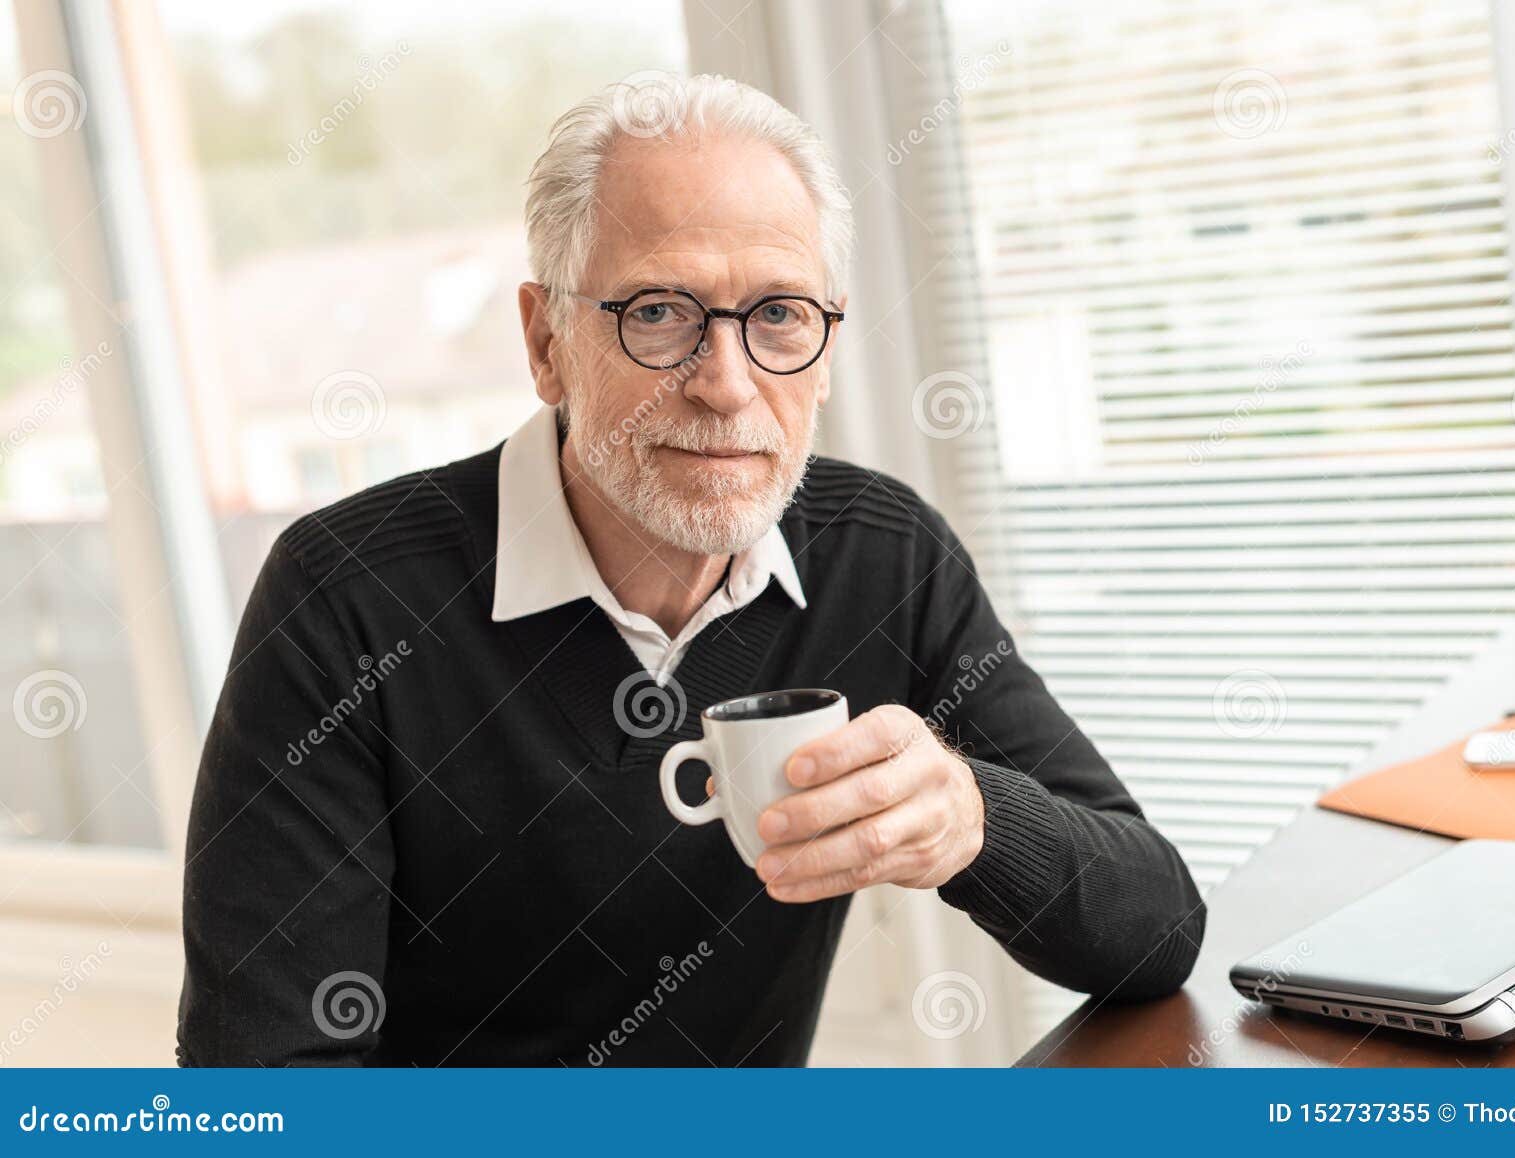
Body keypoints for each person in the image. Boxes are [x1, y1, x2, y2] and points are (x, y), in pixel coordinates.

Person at [178, 73, 1203, 1067]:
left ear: (827, 341)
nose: (726, 384)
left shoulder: (882, 555)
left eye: (780, 316)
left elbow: (1157, 933)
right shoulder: (347, 593)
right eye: (659, 313)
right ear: (546, 343)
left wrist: (973, 819)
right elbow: (261, 1080)